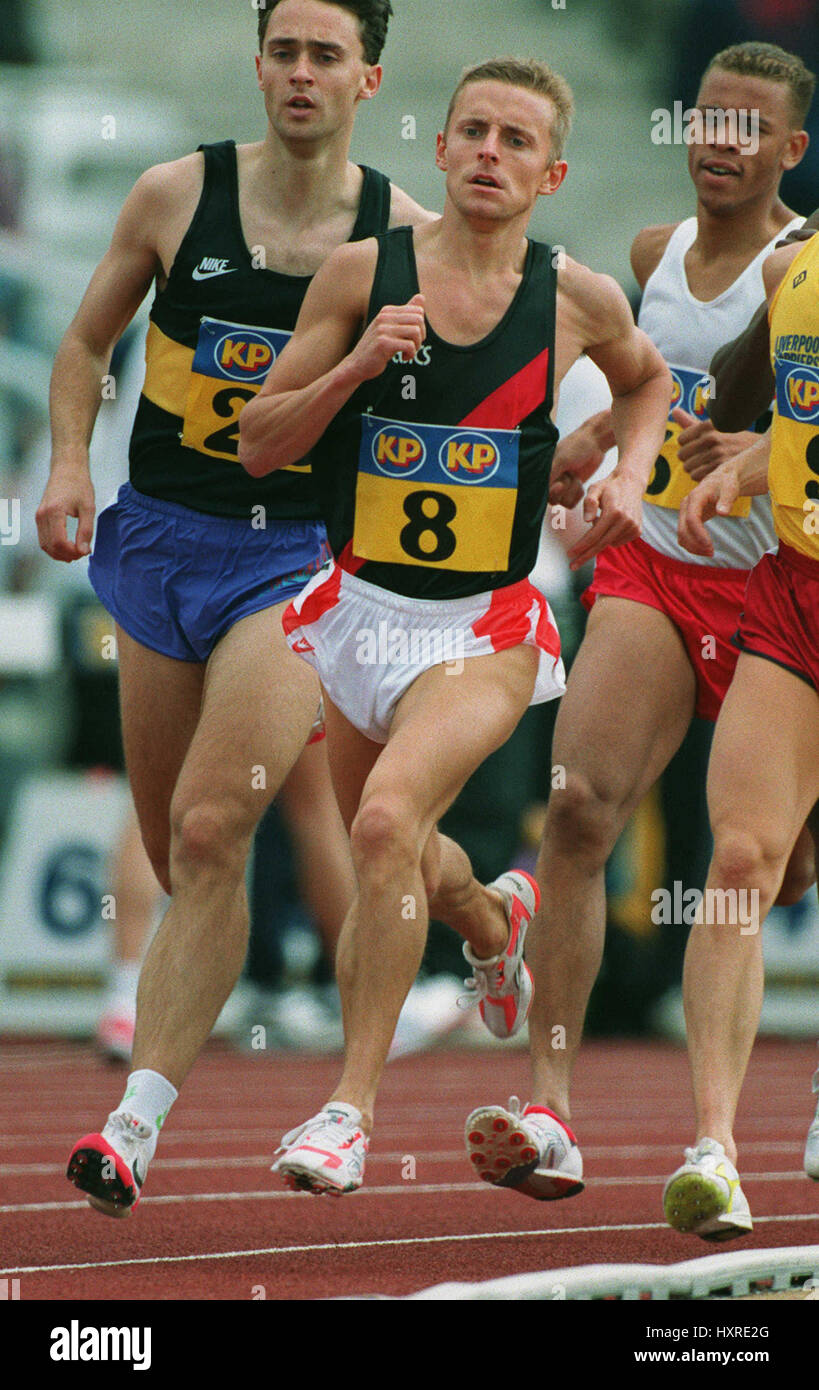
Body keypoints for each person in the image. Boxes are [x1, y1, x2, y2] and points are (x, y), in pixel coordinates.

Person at [237, 55, 672, 1195]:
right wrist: (355, 370)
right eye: (472, 130)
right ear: (438, 149)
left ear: (553, 172)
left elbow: (649, 381)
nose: (488, 151)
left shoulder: (574, 296)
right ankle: (491, 921)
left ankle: (346, 1113)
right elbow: (259, 442)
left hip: (484, 625)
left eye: (515, 140)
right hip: (355, 612)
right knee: (405, 849)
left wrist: (624, 473)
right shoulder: (360, 272)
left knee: (383, 823)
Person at [37, 0, 432, 1218]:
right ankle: (474, 901)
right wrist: (65, 466)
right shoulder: (174, 194)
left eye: (327, 56)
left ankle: (133, 1122)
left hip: (297, 556)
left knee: (213, 834)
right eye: (284, 51)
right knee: (168, 847)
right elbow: (88, 340)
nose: (302, 74)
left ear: (371, 74)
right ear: (256, 61)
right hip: (157, 541)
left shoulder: (404, 234)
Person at [462, 42, 816, 1226]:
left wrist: (758, 457)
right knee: (576, 807)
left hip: (778, 583)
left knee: (772, 864)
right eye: (706, 122)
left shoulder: (803, 267)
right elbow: (672, 386)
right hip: (659, 572)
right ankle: (554, 1108)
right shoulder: (652, 254)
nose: (720, 143)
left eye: (746, 128)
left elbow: (759, 407)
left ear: (788, 151)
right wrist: (603, 439)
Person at [677, 233, 819, 1200]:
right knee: (739, 861)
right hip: (796, 591)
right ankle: (714, 1150)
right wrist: (743, 468)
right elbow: (793, 424)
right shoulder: (792, 269)